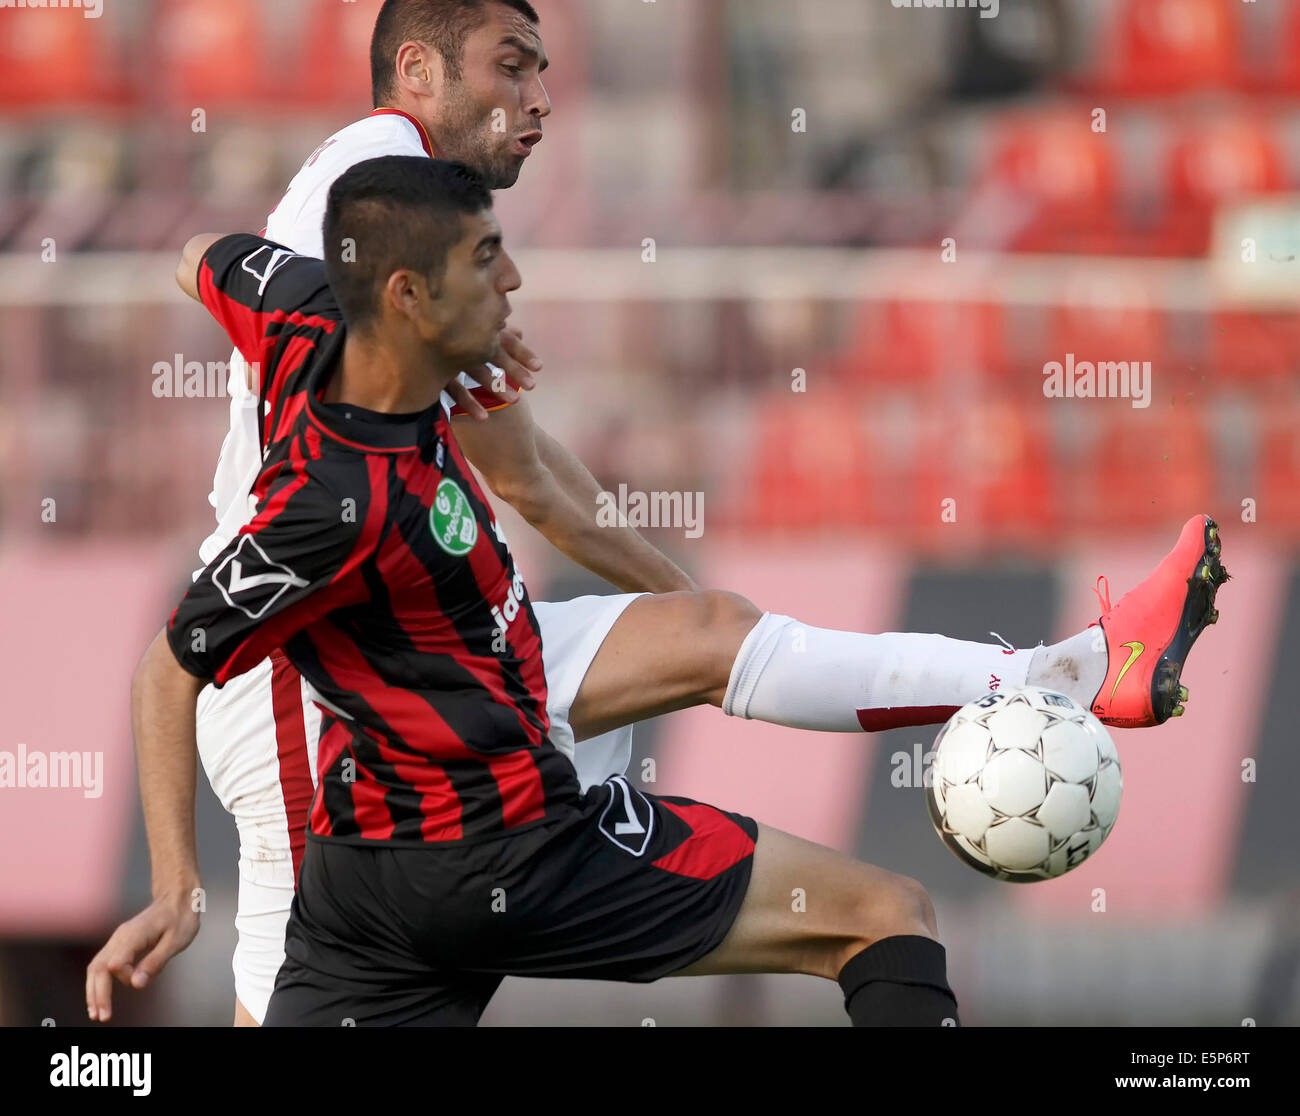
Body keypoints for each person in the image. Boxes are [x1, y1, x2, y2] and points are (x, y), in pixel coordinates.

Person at [86, 0, 1229, 1026]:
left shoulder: (398, 275)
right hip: (316, 687)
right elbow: (180, 648)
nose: (538, 98)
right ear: (419, 68)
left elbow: (528, 480)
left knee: (708, 632)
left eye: (545, 71)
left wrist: (684, 599)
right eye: (511, 64)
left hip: (442, 657)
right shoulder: (375, 176)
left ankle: (1067, 675)